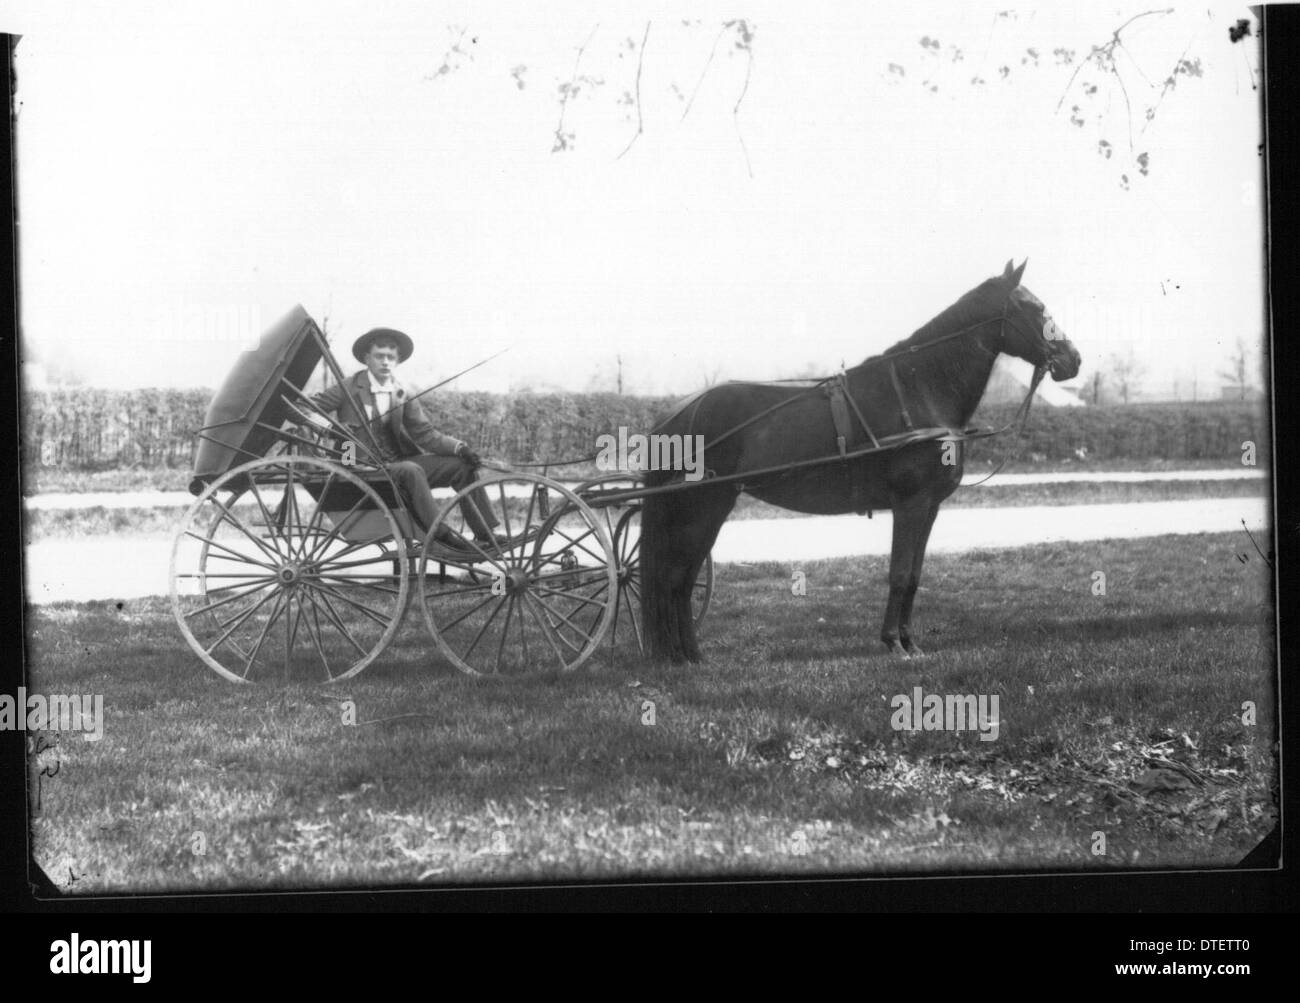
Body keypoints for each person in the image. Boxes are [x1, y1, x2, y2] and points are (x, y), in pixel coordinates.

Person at [304, 327, 507, 551]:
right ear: (367, 359)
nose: (385, 362)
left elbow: (426, 434)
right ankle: (439, 535)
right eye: (379, 356)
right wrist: (332, 428)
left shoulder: (402, 392)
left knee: (461, 467)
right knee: (410, 470)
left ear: (397, 361)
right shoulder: (347, 388)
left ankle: (485, 533)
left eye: (391, 357)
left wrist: (459, 448)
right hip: (358, 464)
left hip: (395, 463)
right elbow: (304, 408)